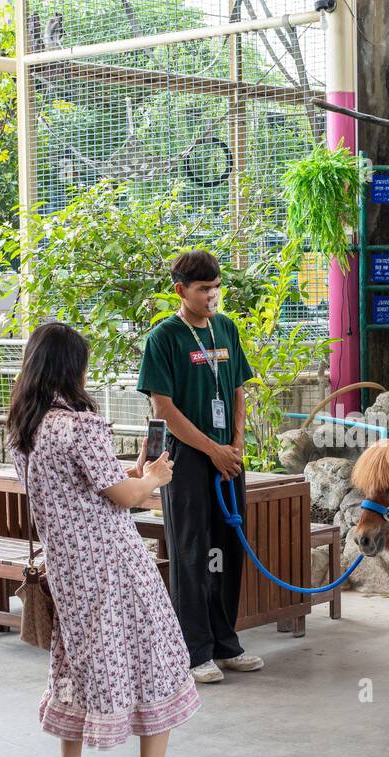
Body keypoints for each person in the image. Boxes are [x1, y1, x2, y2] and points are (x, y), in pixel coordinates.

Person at [7, 322, 210, 757]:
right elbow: (120, 497)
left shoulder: (24, 429)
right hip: (114, 563)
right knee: (154, 653)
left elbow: (88, 488)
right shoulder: (79, 425)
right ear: (70, 368)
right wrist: (155, 477)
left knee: (76, 658)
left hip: (67, 567)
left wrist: (133, 474)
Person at [137, 249, 264, 685]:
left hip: (227, 457)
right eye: (203, 288)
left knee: (227, 549)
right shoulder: (164, 338)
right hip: (187, 458)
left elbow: (239, 391)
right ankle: (194, 651)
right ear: (181, 291)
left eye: (215, 287)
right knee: (192, 551)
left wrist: (236, 444)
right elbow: (164, 409)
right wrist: (212, 449)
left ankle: (226, 642)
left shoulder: (225, 328)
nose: (212, 295)